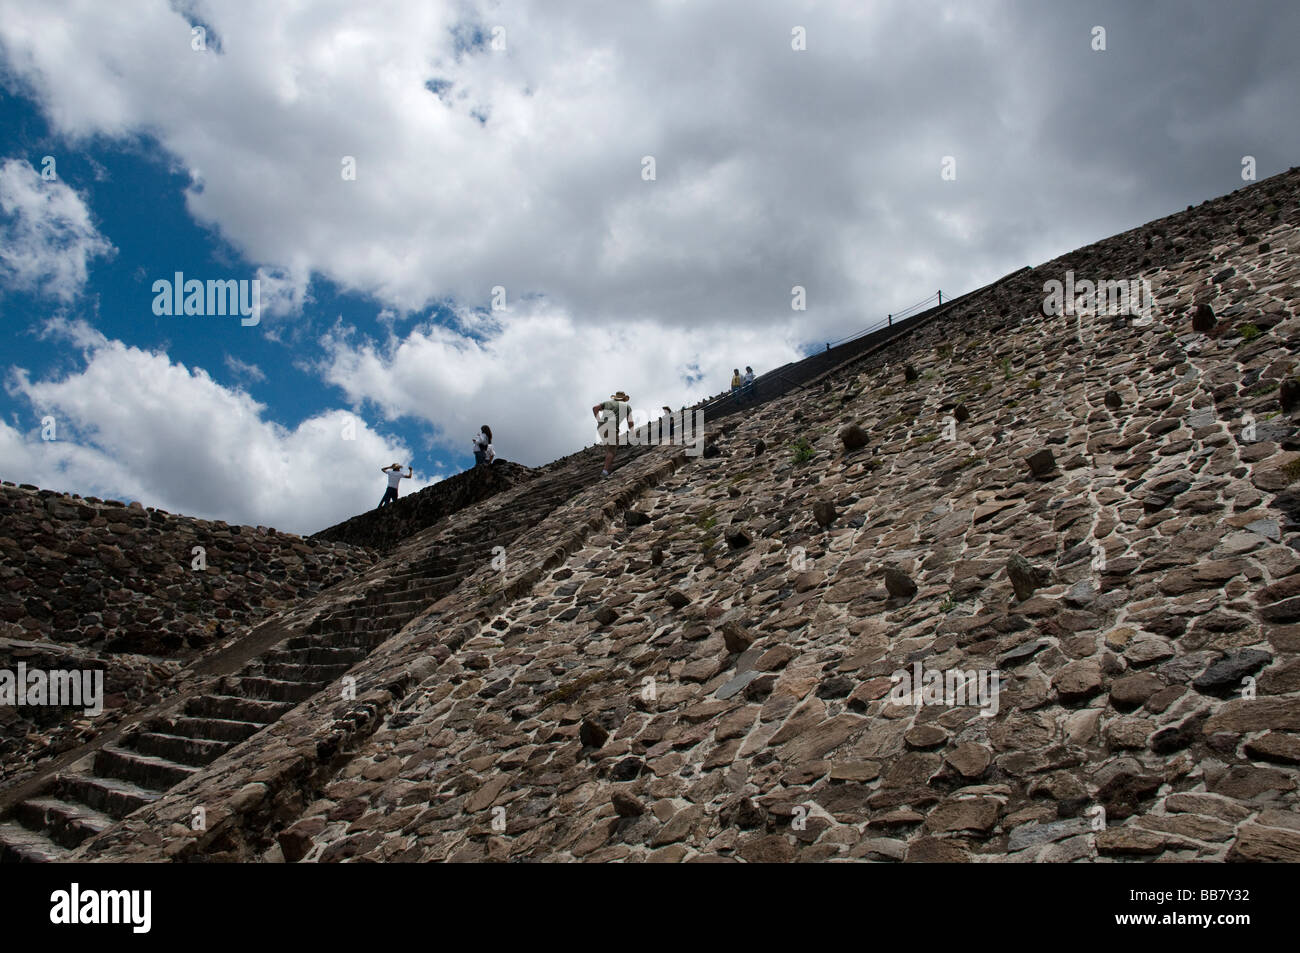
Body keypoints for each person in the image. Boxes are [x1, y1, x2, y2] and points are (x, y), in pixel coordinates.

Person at [593, 390, 631, 477]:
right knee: (611, 450)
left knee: (609, 448)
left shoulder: (607, 403)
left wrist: (599, 420)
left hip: (601, 427)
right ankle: (605, 472)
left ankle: (608, 468)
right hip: (612, 427)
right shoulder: (626, 406)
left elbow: (595, 408)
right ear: (624, 399)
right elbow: (630, 422)